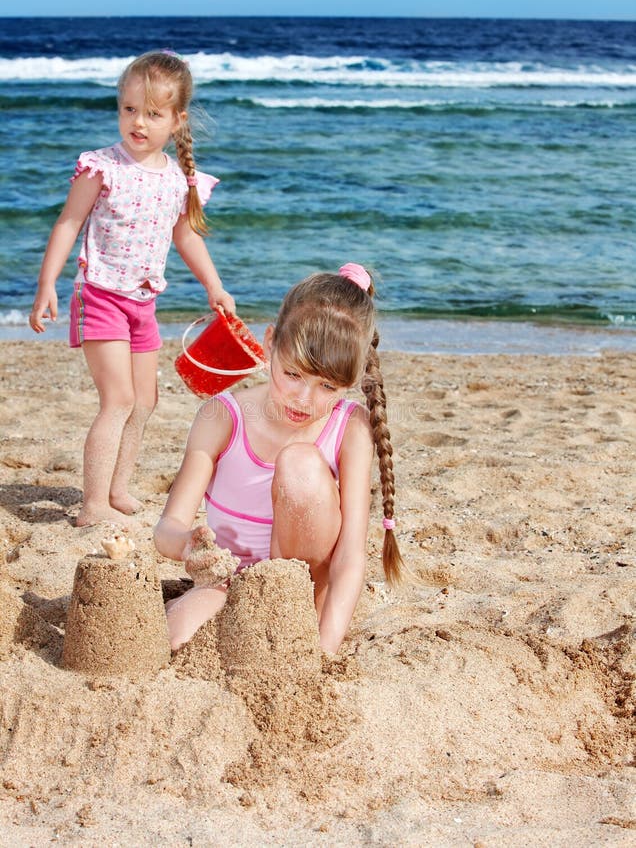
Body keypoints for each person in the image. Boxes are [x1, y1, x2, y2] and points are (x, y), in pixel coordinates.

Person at [29, 50, 234, 527]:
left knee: (145, 401)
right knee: (118, 400)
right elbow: (68, 224)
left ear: (177, 120)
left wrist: (215, 286)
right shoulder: (101, 167)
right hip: (99, 294)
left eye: (153, 113)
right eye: (129, 109)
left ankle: (117, 487)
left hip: (143, 303)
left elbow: (185, 237)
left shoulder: (180, 180)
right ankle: (92, 502)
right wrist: (47, 286)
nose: (138, 122)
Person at [154, 263, 404, 655]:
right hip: (230, 583)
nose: (304, 400)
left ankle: (282, 615)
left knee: (300, 463)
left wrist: (324, 650)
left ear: (352, 381)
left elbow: (350, 558)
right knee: (174, 638)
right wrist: (186, 544)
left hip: (301, 598)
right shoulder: (222, 416)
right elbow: (166, 528)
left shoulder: (351, 427)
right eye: (292, 374)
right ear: (270, 343)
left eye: (328, 386)